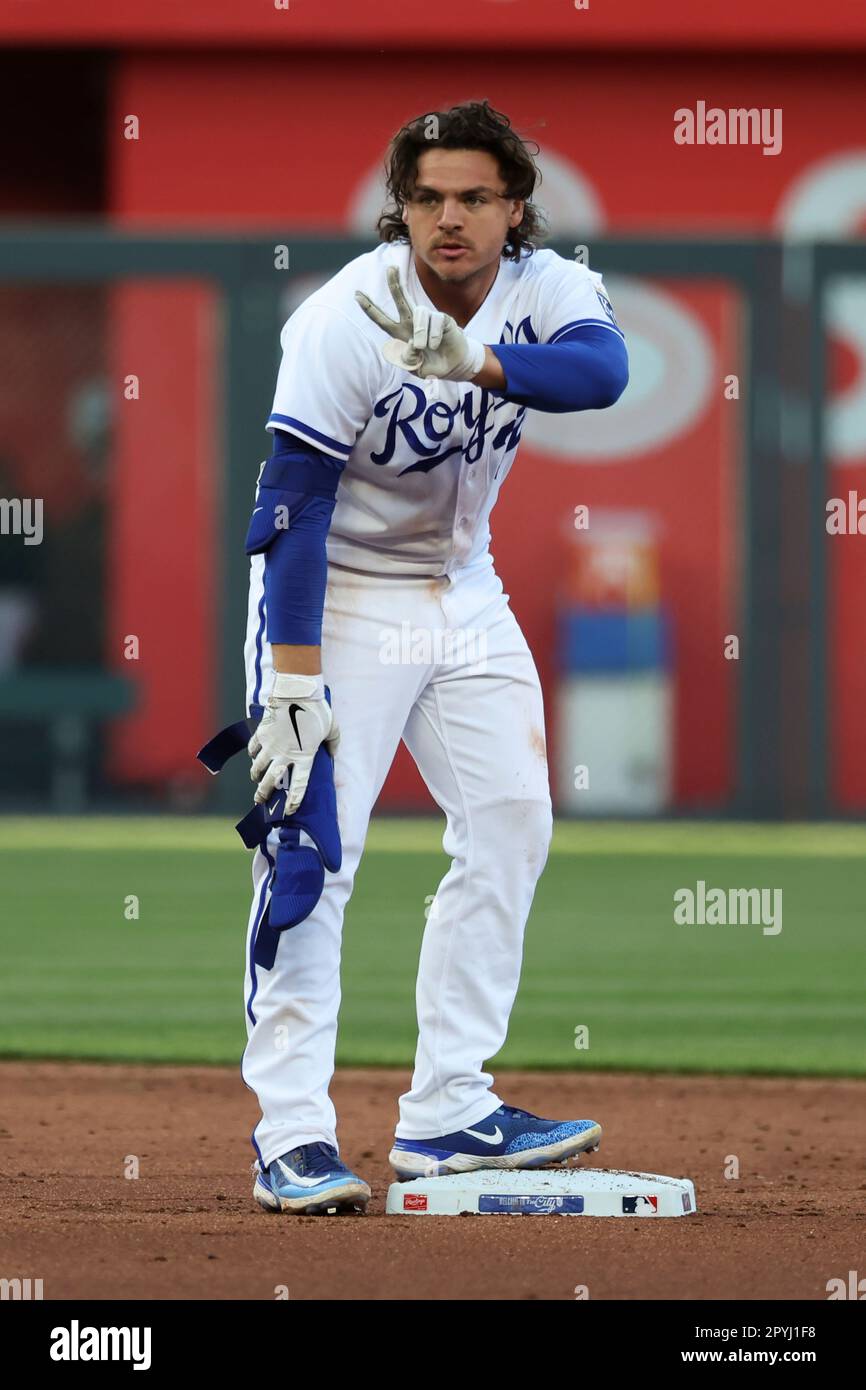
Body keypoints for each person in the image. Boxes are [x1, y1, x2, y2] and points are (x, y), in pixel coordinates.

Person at [241, 100, 628, 1215]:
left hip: (460, 586)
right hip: (337, 593)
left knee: (511, 816)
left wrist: (483, 362)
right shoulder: (345, 316)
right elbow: (294, 505)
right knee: (311, 850)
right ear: (399, 208)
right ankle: (292, 1135)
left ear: (515, 208)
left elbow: (600, 373)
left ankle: (449, 1109)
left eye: (472, 197)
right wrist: (296, 678)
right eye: (425, 197)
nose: (447, 218)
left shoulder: (545, 289)